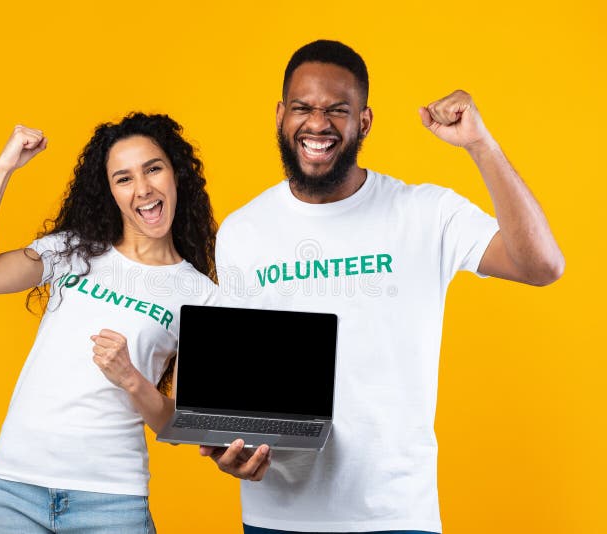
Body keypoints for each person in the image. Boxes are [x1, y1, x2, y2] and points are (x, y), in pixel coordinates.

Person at [200, 39, 564, 533]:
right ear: (281, 114)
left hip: (396, 513)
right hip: (277, 514)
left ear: (364, 121)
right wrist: (229, 449)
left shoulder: (425, 212)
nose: (317, 124)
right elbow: (241, 384)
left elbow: (542, 264)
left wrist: (481, 143)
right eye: (303, 108)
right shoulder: (243, 231)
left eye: (337, 110)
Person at [0, 112, 218, 533]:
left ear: (176, 175)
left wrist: (131, 378)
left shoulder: (201, 294)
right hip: (15, 487)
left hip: (110, 499)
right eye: (124, 178)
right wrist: (0, 170)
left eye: (153, 169)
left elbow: (178, 424)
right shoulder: (72, 251)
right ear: (110, 191)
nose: (143, 189)